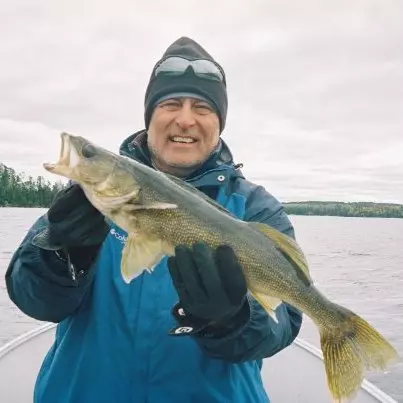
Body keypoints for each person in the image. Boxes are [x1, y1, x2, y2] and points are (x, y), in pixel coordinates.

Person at [6, 37, 302, 403]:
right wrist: (63, 255)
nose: (185, 119)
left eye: (203, 108)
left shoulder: (258, 208)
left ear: (219, 123)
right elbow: (33, 301)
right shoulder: (84, 199)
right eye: (171, 103)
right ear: (150, 116)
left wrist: (233, 320)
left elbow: (283, 325)